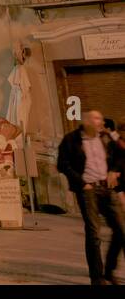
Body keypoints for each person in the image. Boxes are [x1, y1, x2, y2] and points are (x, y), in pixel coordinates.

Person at [56, 109, 125, 284]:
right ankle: (97, 277)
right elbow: (62, 164)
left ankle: (110, 271)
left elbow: (121, 155)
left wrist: (114, 171)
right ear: (86, 121)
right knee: (94, 233)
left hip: (107, 189)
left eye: (101, 118)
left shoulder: (106, 138)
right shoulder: (71, 140)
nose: (100, 121)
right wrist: (81, 183)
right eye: (96, 118)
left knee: (121, 230)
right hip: (88, 191)